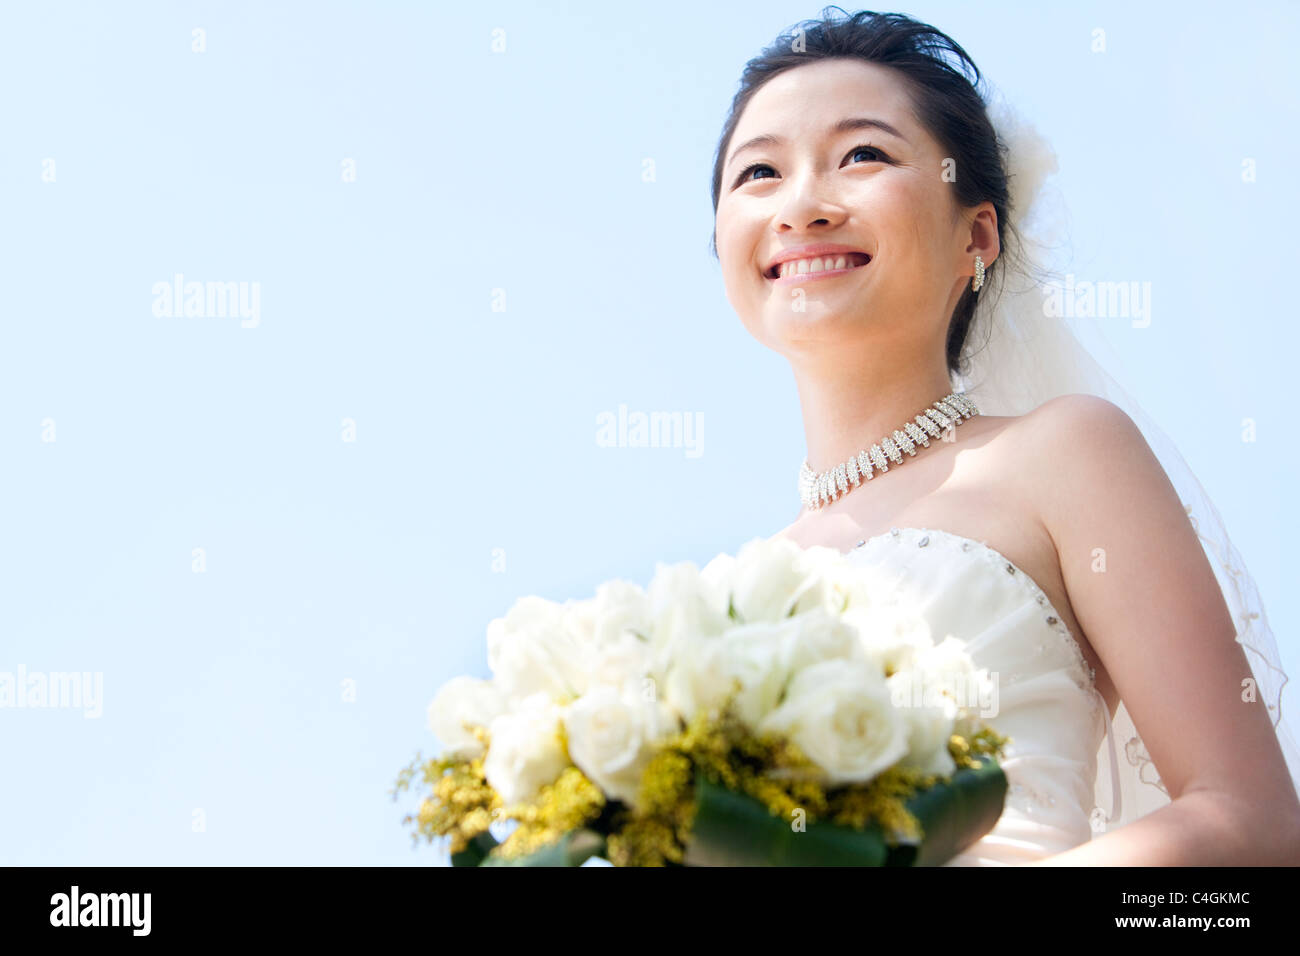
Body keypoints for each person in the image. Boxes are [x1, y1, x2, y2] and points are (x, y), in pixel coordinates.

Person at [710, 8, 1300, 864]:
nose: (801, 204)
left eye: (862, 155)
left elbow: (1252, 821)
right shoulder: (726, 594)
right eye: (758, 171)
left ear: (976, 235)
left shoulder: (1063, 453)